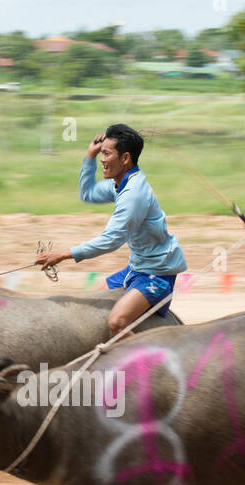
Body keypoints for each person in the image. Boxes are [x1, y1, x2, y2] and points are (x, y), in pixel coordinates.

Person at [34, 123, 186, 337]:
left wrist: (62, 255)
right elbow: (87, 194)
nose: (102, 159)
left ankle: (142, 367)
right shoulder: (121, 183)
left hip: (157, 274)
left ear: (125, 158)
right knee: (87, 308)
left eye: (106, 154)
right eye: (101, 154)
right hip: (135, 268)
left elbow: (111, 240)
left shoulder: (134, 194)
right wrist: (89, 156)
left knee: (117, 322)